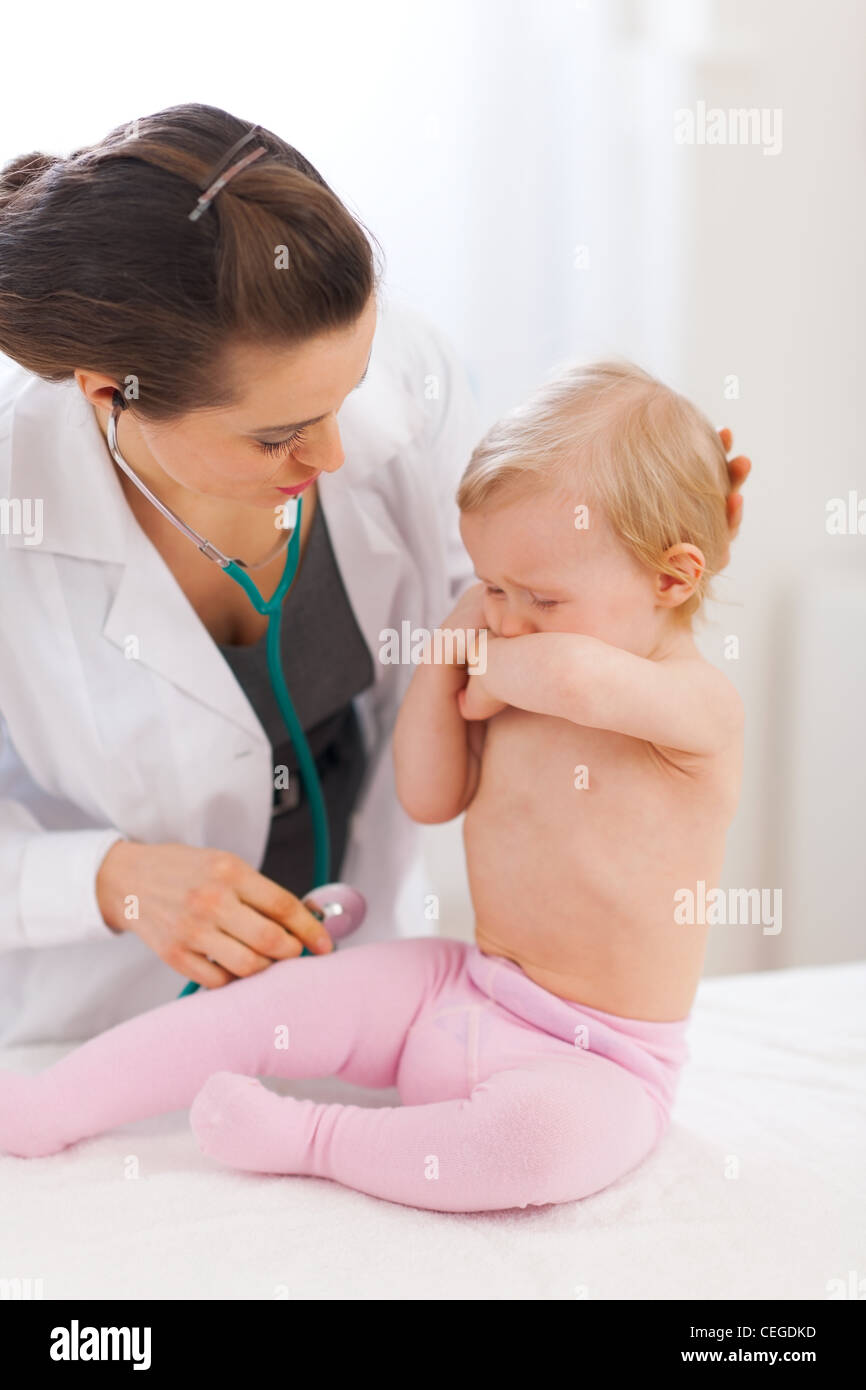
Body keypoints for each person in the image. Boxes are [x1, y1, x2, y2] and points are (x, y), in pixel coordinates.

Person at [0, 102, 750, 1049]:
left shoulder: (407, 373)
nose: (337, 451)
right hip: (94, 1021)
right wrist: (109, 880)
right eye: (275, 436)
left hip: (357, 992)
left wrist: (649, 558)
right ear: (111, 395)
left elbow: (508, 625)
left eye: (345, 394)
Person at [0, 360, 744, 1215]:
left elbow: (577, 681)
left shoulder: (696, 709)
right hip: (460, 986)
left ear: (675, 579)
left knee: (537, 1147)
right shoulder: (512, 658)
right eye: (488, 584)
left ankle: (314, 1140)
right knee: (260, 1010)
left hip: (599, 1057)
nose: (497, 613)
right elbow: (429, 796)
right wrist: (443, 657)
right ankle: (47, 1106)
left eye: (536, 594)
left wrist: (480, 647)